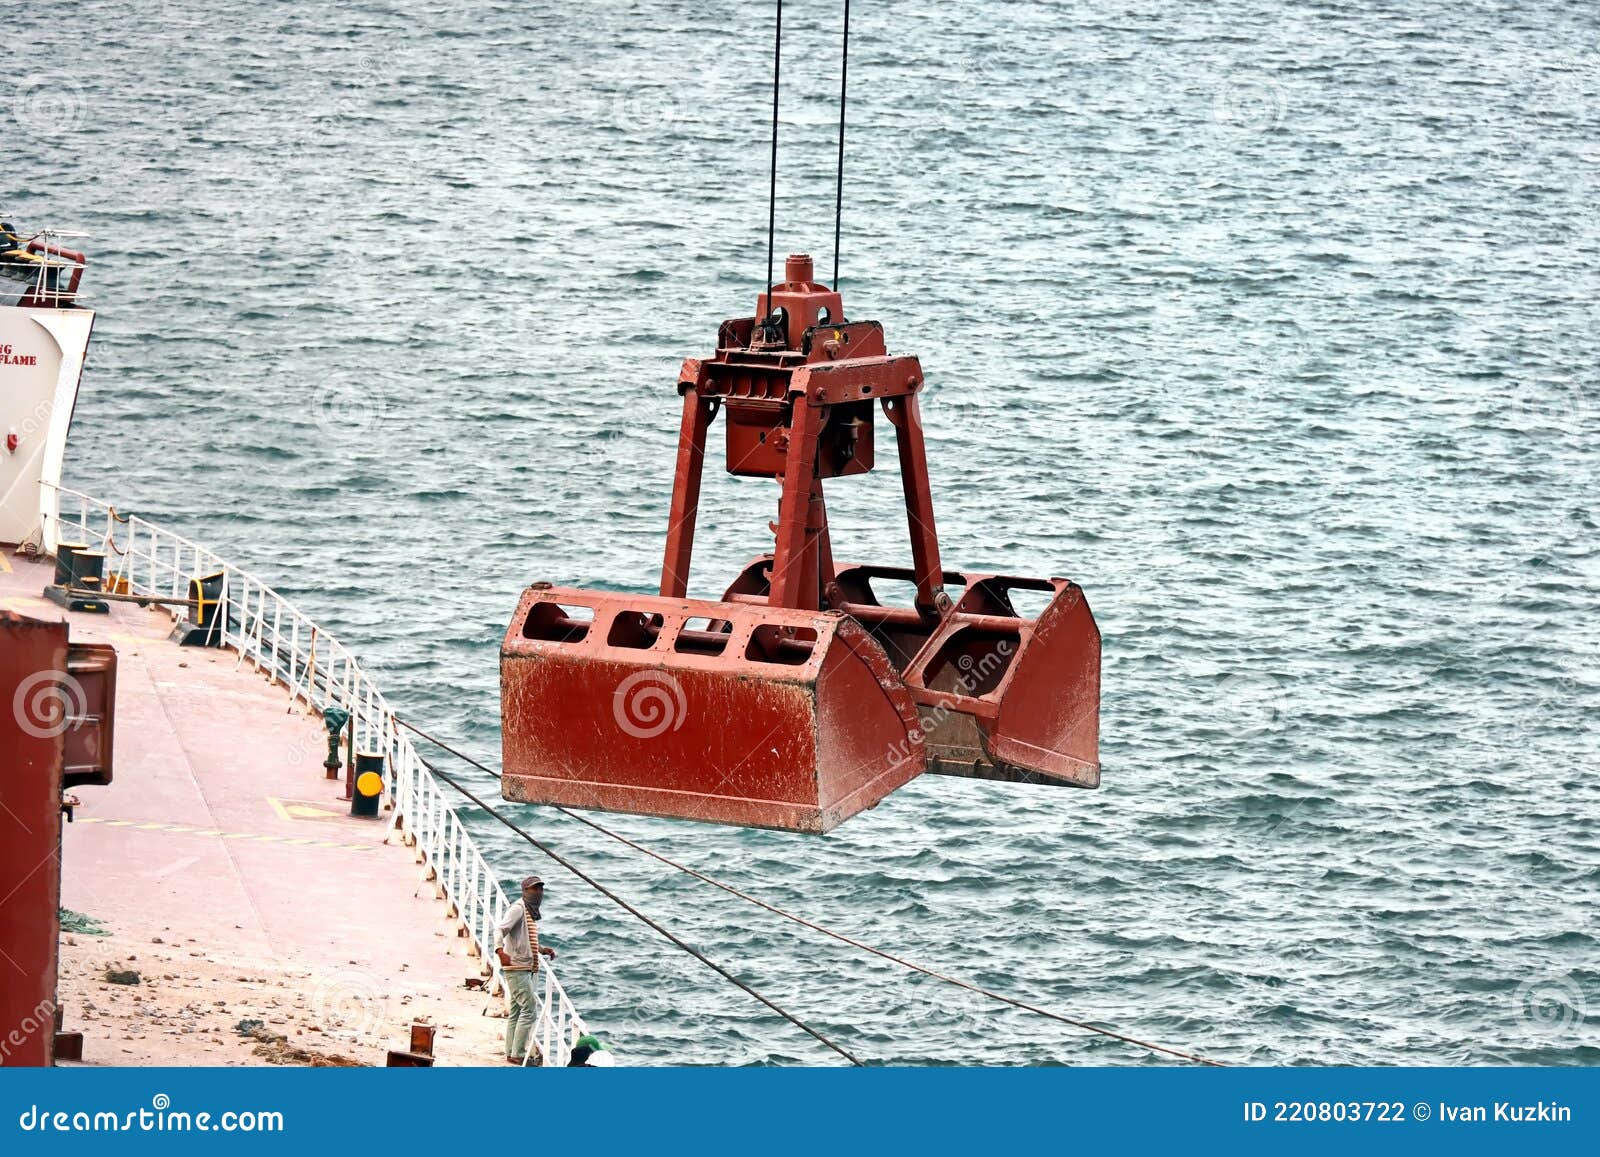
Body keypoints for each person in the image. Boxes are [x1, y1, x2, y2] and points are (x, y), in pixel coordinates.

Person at [495, 874, 556, 1064]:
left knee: (516, 1011)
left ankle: (511, 1052)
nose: (538, 892)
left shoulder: (529, 911)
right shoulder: (518, 909)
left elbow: (525, 939)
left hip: (524, 967)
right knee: (529, 1010)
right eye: (534, 888)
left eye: (540, 888)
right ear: (525, 890)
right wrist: (499, 951)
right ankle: (518, 1054)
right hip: (517, 968)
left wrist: (543, 949)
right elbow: (500, 929)